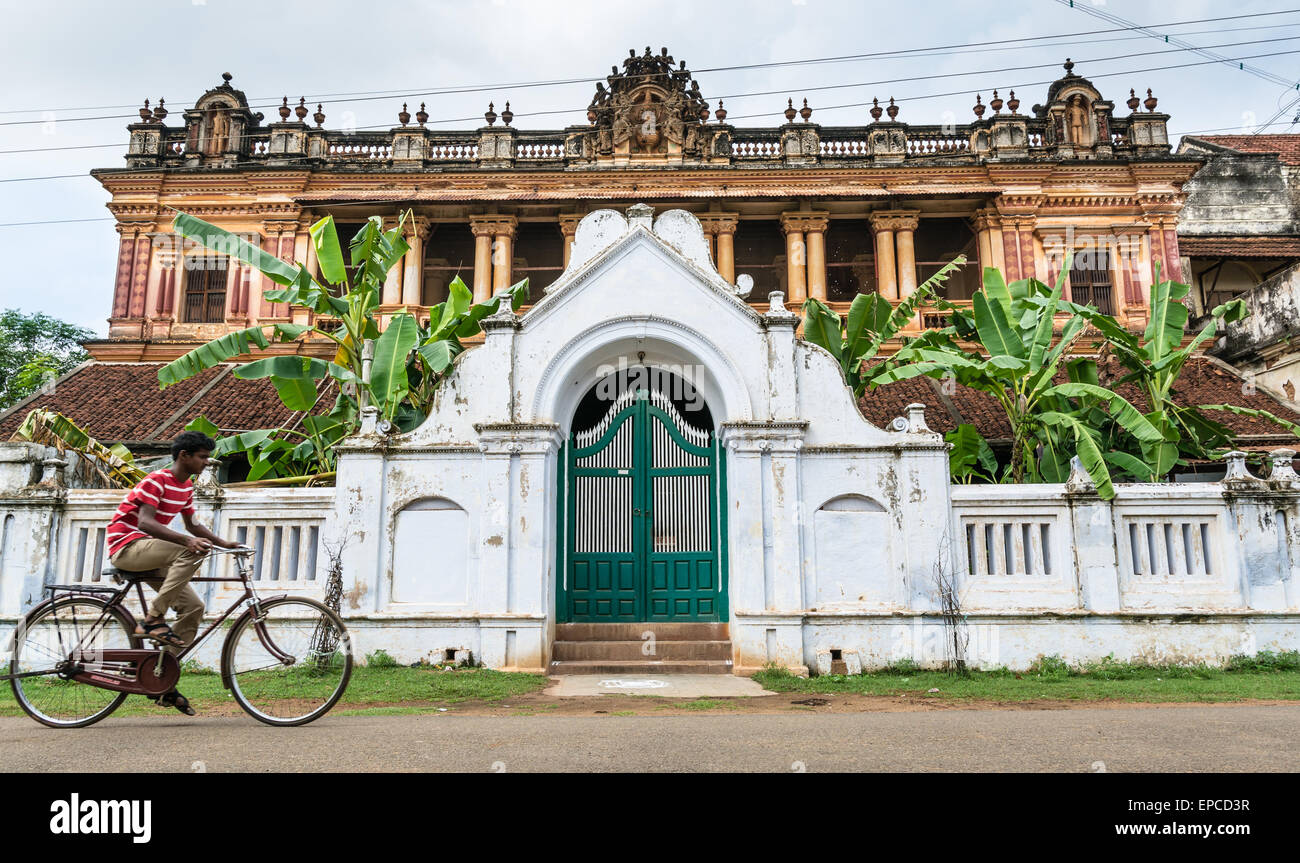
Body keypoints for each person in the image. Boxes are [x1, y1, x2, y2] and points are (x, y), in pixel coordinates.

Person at [105, 430, 239, 715]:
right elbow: (145, 522)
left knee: (193, 607)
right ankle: (153, 618)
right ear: (184, 456)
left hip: (150, 553)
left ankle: (160, 678)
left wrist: (224, 543)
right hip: (127, 547)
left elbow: (193, 527)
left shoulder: (186, 486)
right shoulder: (156, 480)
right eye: (202, 457)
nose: (206, 462)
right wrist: (188, 542)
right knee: (189, 550)